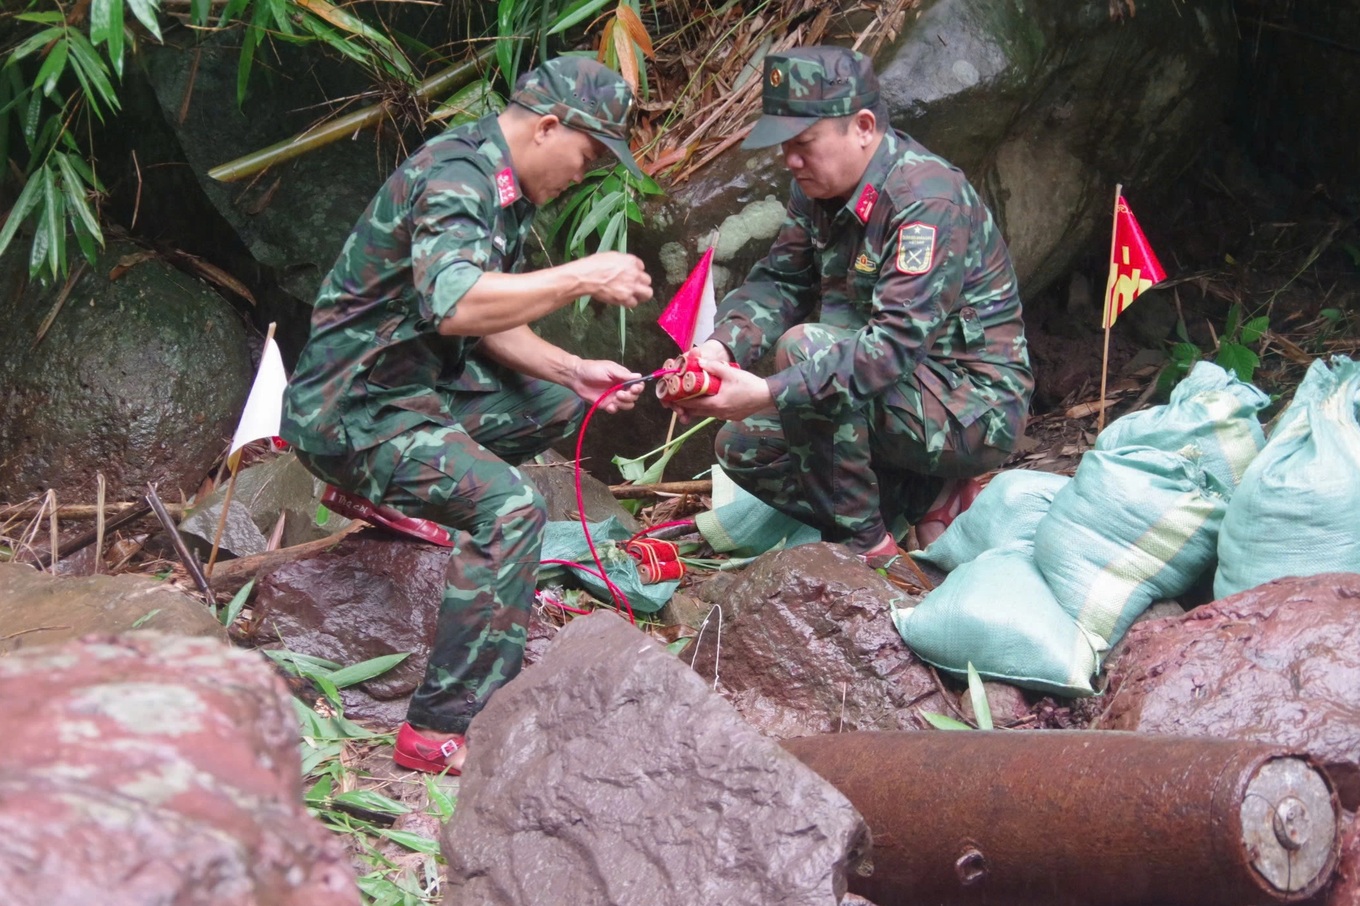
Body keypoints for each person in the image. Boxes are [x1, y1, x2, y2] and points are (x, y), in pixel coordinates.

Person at [280, 57, 653, 774]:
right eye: (588, 155)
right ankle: (439, 728)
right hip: (353, 412)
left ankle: (379, 494)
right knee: (512, 511)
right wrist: (582, 274)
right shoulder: (458, 174)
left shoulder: (500, 185)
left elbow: (485, 322)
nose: (586, 174)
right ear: (548, 127)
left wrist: (575, 371)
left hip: (408, 394)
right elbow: (456, 302)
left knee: (555, 399)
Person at [667, 46, 1033, 577]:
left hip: (972, 408)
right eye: (785, 146)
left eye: (804, 145)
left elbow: (891, 346)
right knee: (743, 446)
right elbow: (780, 281)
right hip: (880, 393)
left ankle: (866, 552)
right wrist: (717, 349)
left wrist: (765, 393)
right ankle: (923, 496)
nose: (790, 160)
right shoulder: (814, 190)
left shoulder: (926, 200)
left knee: (804, 349)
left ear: (862, 126)